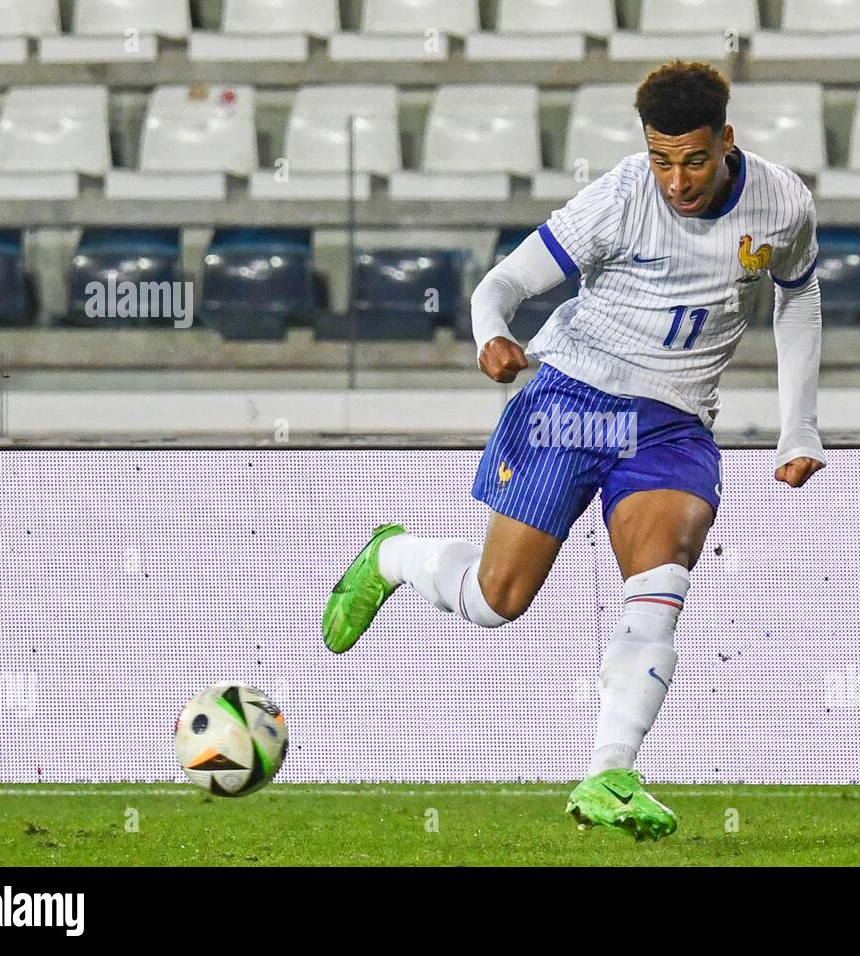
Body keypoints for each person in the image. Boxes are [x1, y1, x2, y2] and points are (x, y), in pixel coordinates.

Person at [322, 60, 825, 841]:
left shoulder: (783, 204)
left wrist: (799, 426)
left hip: (673, 419)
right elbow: (501, 286)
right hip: (571, 398)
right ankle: (391, 556)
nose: (677, 180)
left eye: (693, 159)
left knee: (660, 588)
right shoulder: (622, 197)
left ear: (727, 141)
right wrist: (492, 336)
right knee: (497, 603)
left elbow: (797, 299)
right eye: (662, 159)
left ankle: (609, 773)